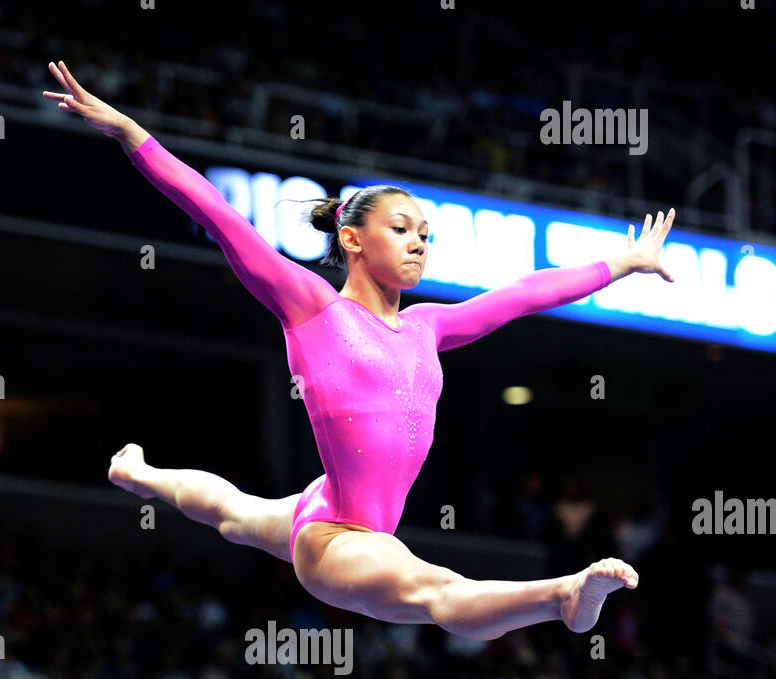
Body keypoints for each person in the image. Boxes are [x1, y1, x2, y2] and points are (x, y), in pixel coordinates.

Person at [43, 62, 680, 640]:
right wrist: (131, 134)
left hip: (328, 504)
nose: (418, 243)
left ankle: (139, 474)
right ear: (351, 238)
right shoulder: (312, 306)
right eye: (400, 229)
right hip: (338, 539)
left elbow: (523, 294)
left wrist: (622, 261)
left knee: (233, 513)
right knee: (436, 589)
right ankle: (563, 596)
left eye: (425, 234)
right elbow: (218, 216)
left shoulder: (430, 326)